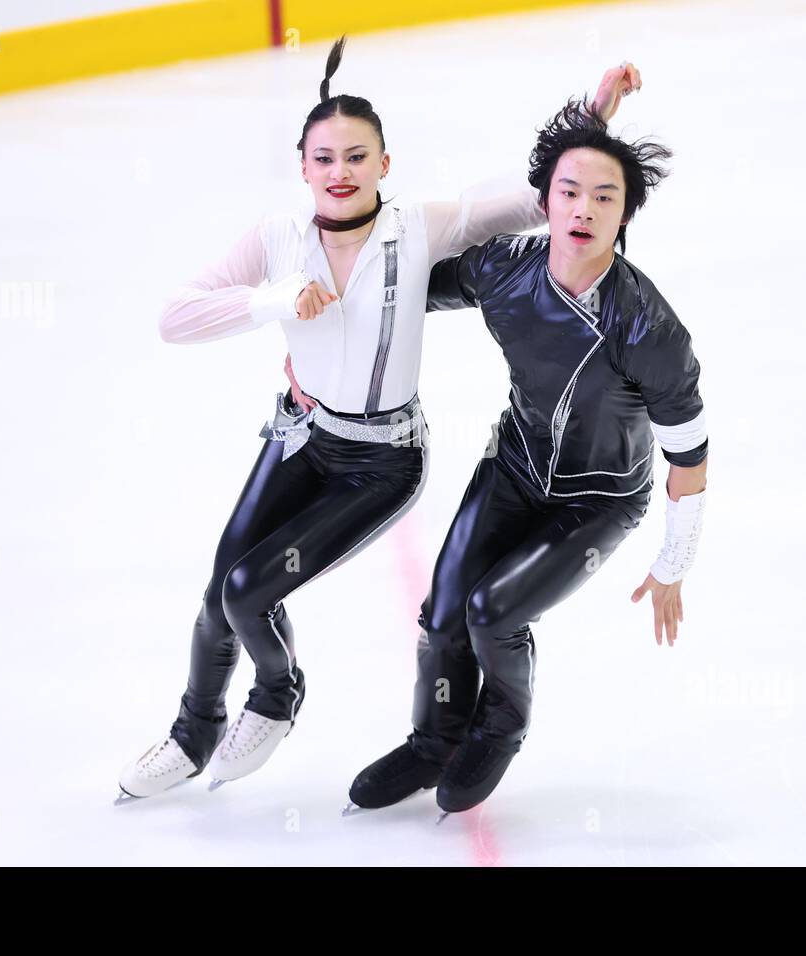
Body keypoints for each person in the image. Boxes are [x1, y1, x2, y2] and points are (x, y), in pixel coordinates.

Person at [116, 38, 640, 799]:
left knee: (247, 590)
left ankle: (276, 696)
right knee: (217, 593)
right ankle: (193, 732)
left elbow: (534, 199)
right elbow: (175, 317)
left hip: (381, 463)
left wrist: (593, 115)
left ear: (384, 164)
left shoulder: (417, 228)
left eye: (357, 157)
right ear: (302, 167)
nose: (341, 171)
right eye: (325, 158)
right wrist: (273, 301)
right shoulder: (278, 239)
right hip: (301, 436)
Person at [343, 92, 710, 815]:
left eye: (604, 197)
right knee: (444, 613)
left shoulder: (648, 328)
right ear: (544, 202)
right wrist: (319, 322)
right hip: (514, 465)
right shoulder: (503, 270)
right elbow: (403, 290)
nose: (583, 209)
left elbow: (690, 454)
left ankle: (499, 727)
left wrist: (675, 561)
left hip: (598, 500)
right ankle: (433, 740)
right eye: (568, 192)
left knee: (492, 613)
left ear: (625, 215)